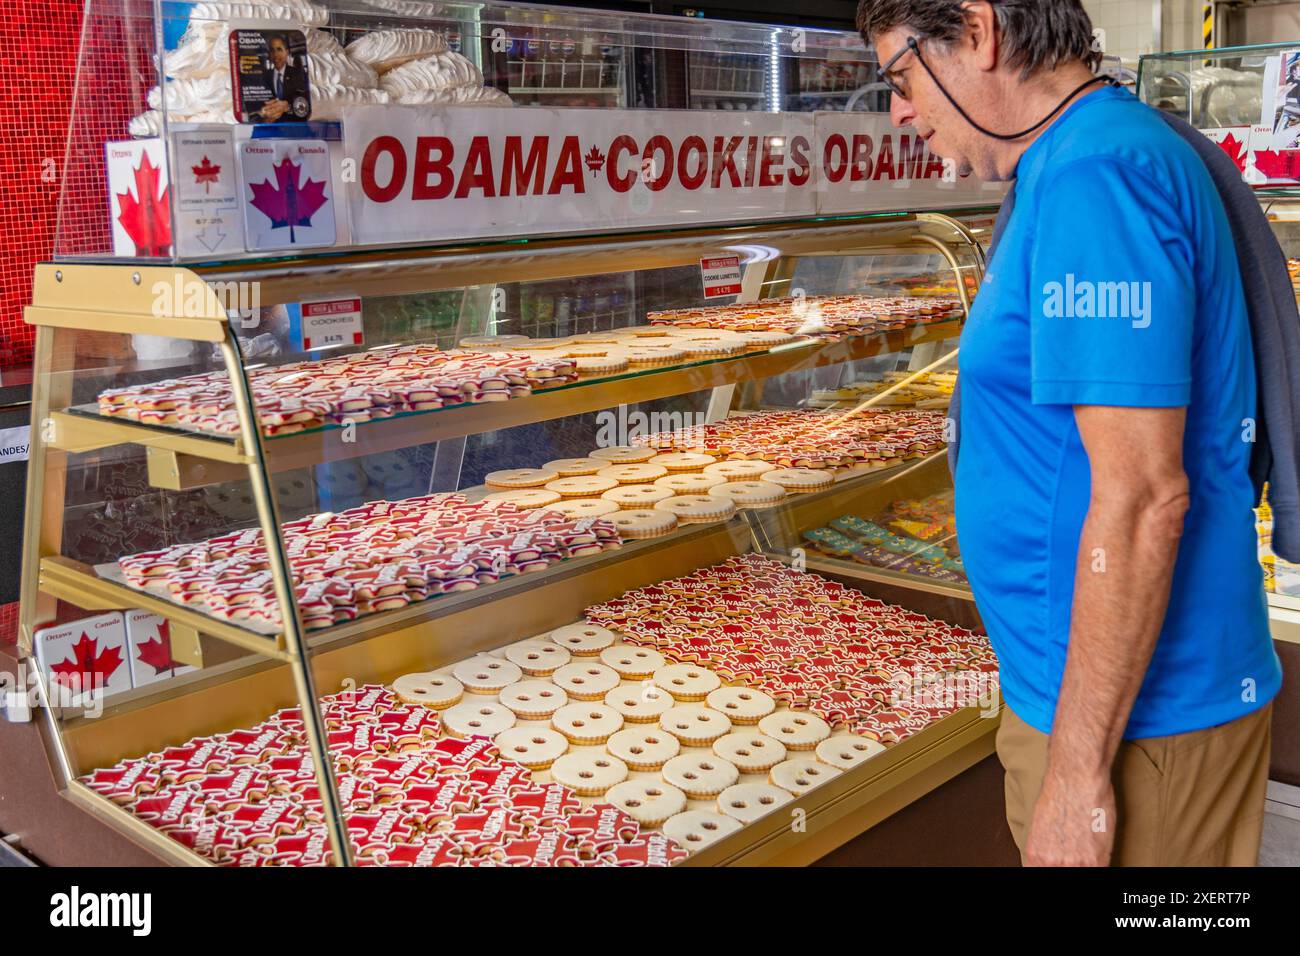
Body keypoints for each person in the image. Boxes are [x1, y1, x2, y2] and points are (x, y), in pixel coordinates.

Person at [855, 0, 1281, 866]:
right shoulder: (1080, 157)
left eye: (901, 77)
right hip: (1108, 704)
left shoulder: (1097, 174)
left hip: (1137, 731)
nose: (899, 111)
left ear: (978, 32)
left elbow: (1142, 500)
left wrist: (1079, 777)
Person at [259, 33, 309, 123]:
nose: (275, 54)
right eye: (272, 50)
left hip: (295, 126)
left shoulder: (298, 74)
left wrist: (288, 106)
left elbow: (305, 99)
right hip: (269, 128)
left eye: (279, 49)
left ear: (287, 52)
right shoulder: (264, 76)